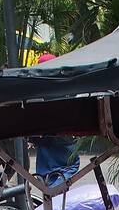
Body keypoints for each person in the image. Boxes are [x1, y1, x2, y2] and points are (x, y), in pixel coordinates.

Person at [29, 53, 81, 186]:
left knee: (48, 179)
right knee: (68, 169)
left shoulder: (36, 89)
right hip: (63, 137)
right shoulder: (65, 85)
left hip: (45, 139)